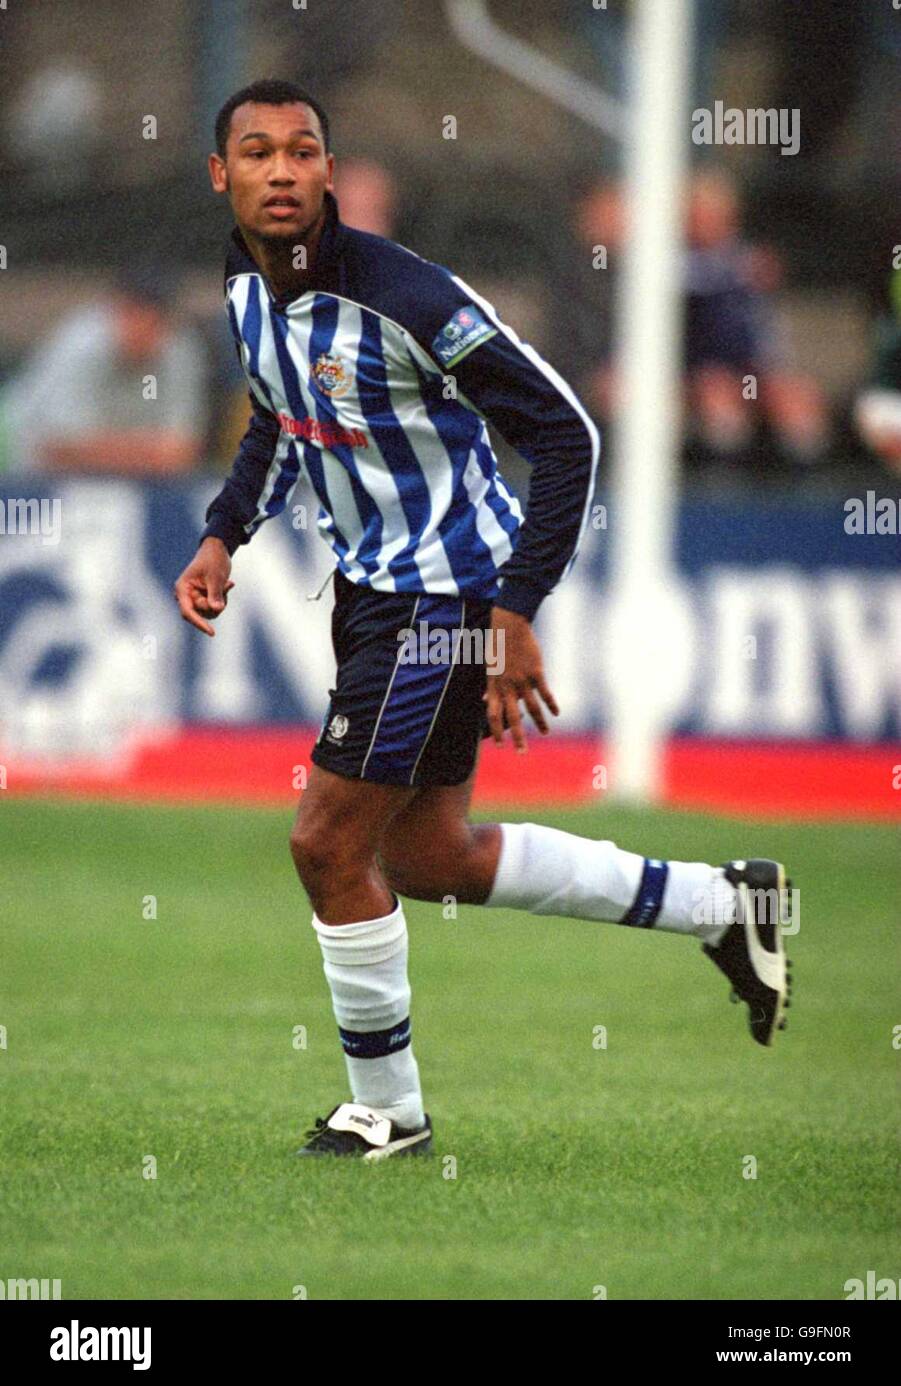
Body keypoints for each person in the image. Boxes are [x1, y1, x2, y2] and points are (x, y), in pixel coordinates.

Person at [174, 80, 793, 1161]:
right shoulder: (242, 282)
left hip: (446, 596)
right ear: (221, 176)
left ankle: (390, 1113)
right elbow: (283, 412)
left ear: (330, 171)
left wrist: (513, 612)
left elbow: (566, 436)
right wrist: (227, 530)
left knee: (324, 841)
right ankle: (722, 902)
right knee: (428, 856)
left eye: (304, 151)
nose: (282, 171)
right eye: (258, 153)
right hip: (372, 595)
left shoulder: (408, 298)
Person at [3, 272, 205, 477]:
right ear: (114, 310)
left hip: (134, 483)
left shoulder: (180, 349)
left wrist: (99, 449)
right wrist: (149, 451)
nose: (141, 327)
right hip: (27, 470)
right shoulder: (81, 344)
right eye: (132, 314)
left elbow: (181, 454)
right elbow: (58, 448)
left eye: (153, 319)